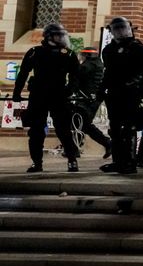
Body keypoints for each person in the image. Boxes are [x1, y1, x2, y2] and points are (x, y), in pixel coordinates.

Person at [14, 23, 80, 173]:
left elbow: (76, 76)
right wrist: (16, 93)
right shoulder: (35, 52)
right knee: (36, 131)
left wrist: (70, 90)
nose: (62, 39)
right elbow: (23, 73)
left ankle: (72, 160)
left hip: (59, 95)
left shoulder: (68, 54)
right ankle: (37, 162)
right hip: (39, 95)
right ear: (49, 37)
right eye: (58, 35)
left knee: (63, 129)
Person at [99, 17, 143, 175]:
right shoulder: (108, 50)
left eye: (123, 28)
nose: (120, 31)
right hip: (114, 93)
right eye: (117, 29)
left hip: (131, 93)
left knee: (129, 128)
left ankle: (130, 162)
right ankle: (118, 161)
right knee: (114, 129)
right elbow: (108, 72)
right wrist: (101, 89)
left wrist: (135, 84)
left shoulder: (136, 47)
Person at [68, 46, 112, 161]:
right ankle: (75, 149)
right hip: (94, 98)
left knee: (80, 123)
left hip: (85, 98)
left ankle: (106, 143)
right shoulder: (100, 64)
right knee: (83, 124)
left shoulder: (87, 66)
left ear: (87, 55)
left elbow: (76, 78)